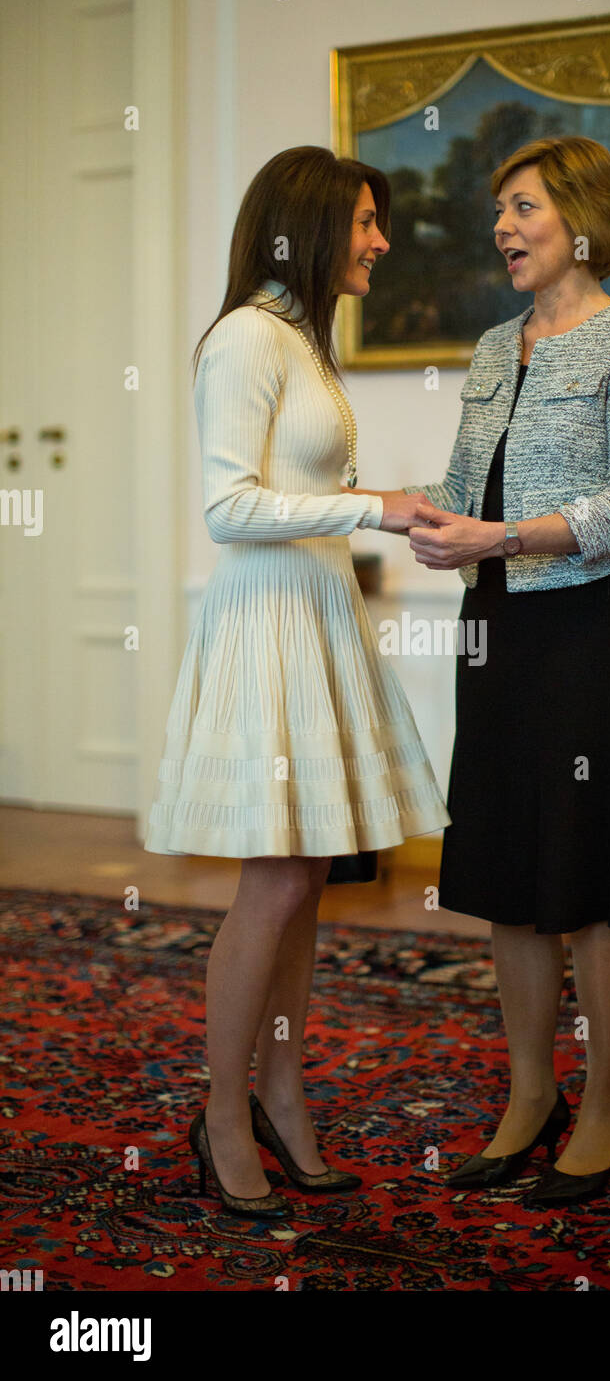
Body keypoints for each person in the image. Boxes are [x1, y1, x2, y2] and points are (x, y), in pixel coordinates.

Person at [353, 136, 610, 1207]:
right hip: (491, 626)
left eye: (522, 206)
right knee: (501, 862)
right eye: (496, 209)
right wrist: (381, 507)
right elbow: (459, 486)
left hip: (584, 628)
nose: (500, 226)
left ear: (581, 218)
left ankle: (604, 1107)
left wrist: (497, 538)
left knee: (587, 875)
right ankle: (529, 1094)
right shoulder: (494, 346)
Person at [143, 146, 448, 1216]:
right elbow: (229, 508)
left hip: (315, 611)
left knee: (307, 876)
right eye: (365, 221)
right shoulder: (244, 339)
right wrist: (377, 506)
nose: (378, 240)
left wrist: (387, 505)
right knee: (273, 880)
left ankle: (279, 1090)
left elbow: (299, 486)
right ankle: (222, 1111)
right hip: (266, 619)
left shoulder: (302, 342)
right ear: (310, 226)